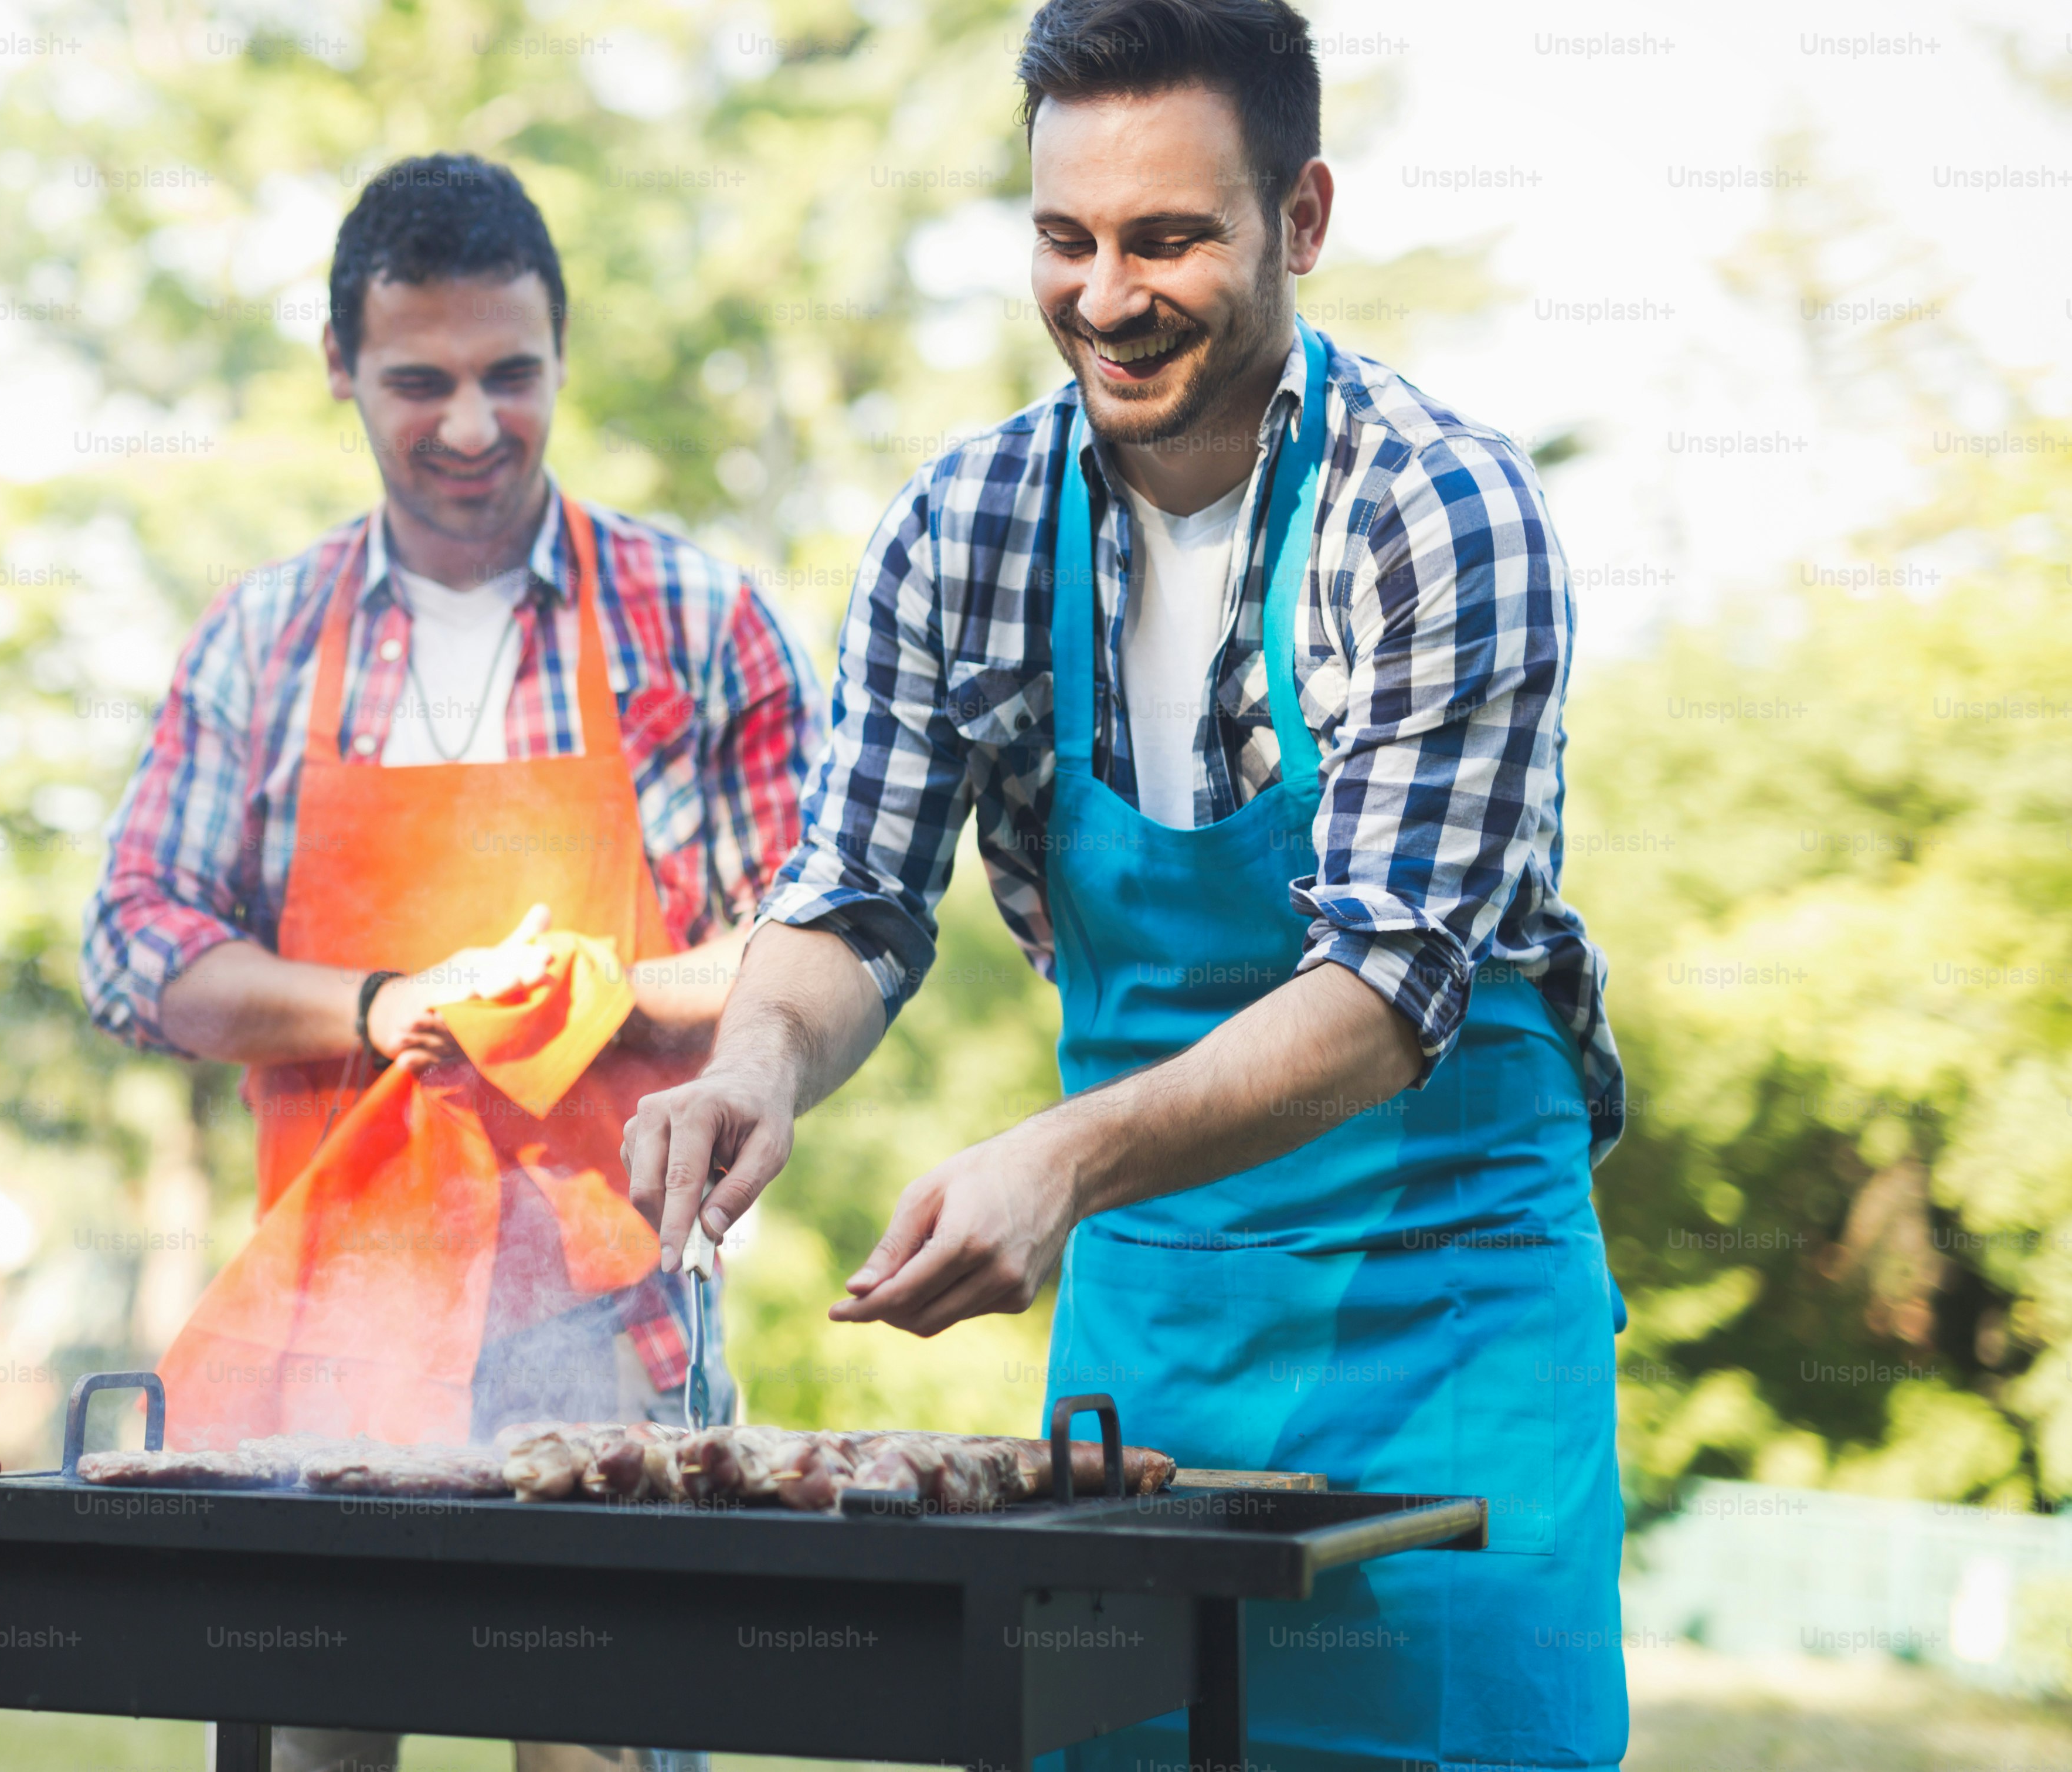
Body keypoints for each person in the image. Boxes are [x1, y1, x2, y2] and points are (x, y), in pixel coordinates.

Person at [624, 2, 1629, 1768]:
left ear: (1300, 217)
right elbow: (854, 892)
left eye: (1166, 238)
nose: (1104, 295)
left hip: (1448, 1320)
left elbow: (1386, 993)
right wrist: (754, 1064)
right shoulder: (964, 526)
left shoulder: (1437, 513)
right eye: (1064, 238)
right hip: (1156, 1328)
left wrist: (1060, 1159)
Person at [79, 154, 818, 1772]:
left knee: (602, 1749)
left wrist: (605, 998)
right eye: (421, 380)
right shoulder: (265, 636)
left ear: (561, 353)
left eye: (511, 374)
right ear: (338, 366)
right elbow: (135, 946)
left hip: (613, 1326)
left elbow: (815, 934)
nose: (473, 424)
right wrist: (377, 1006)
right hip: (329, 1342)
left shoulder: (698, 620)